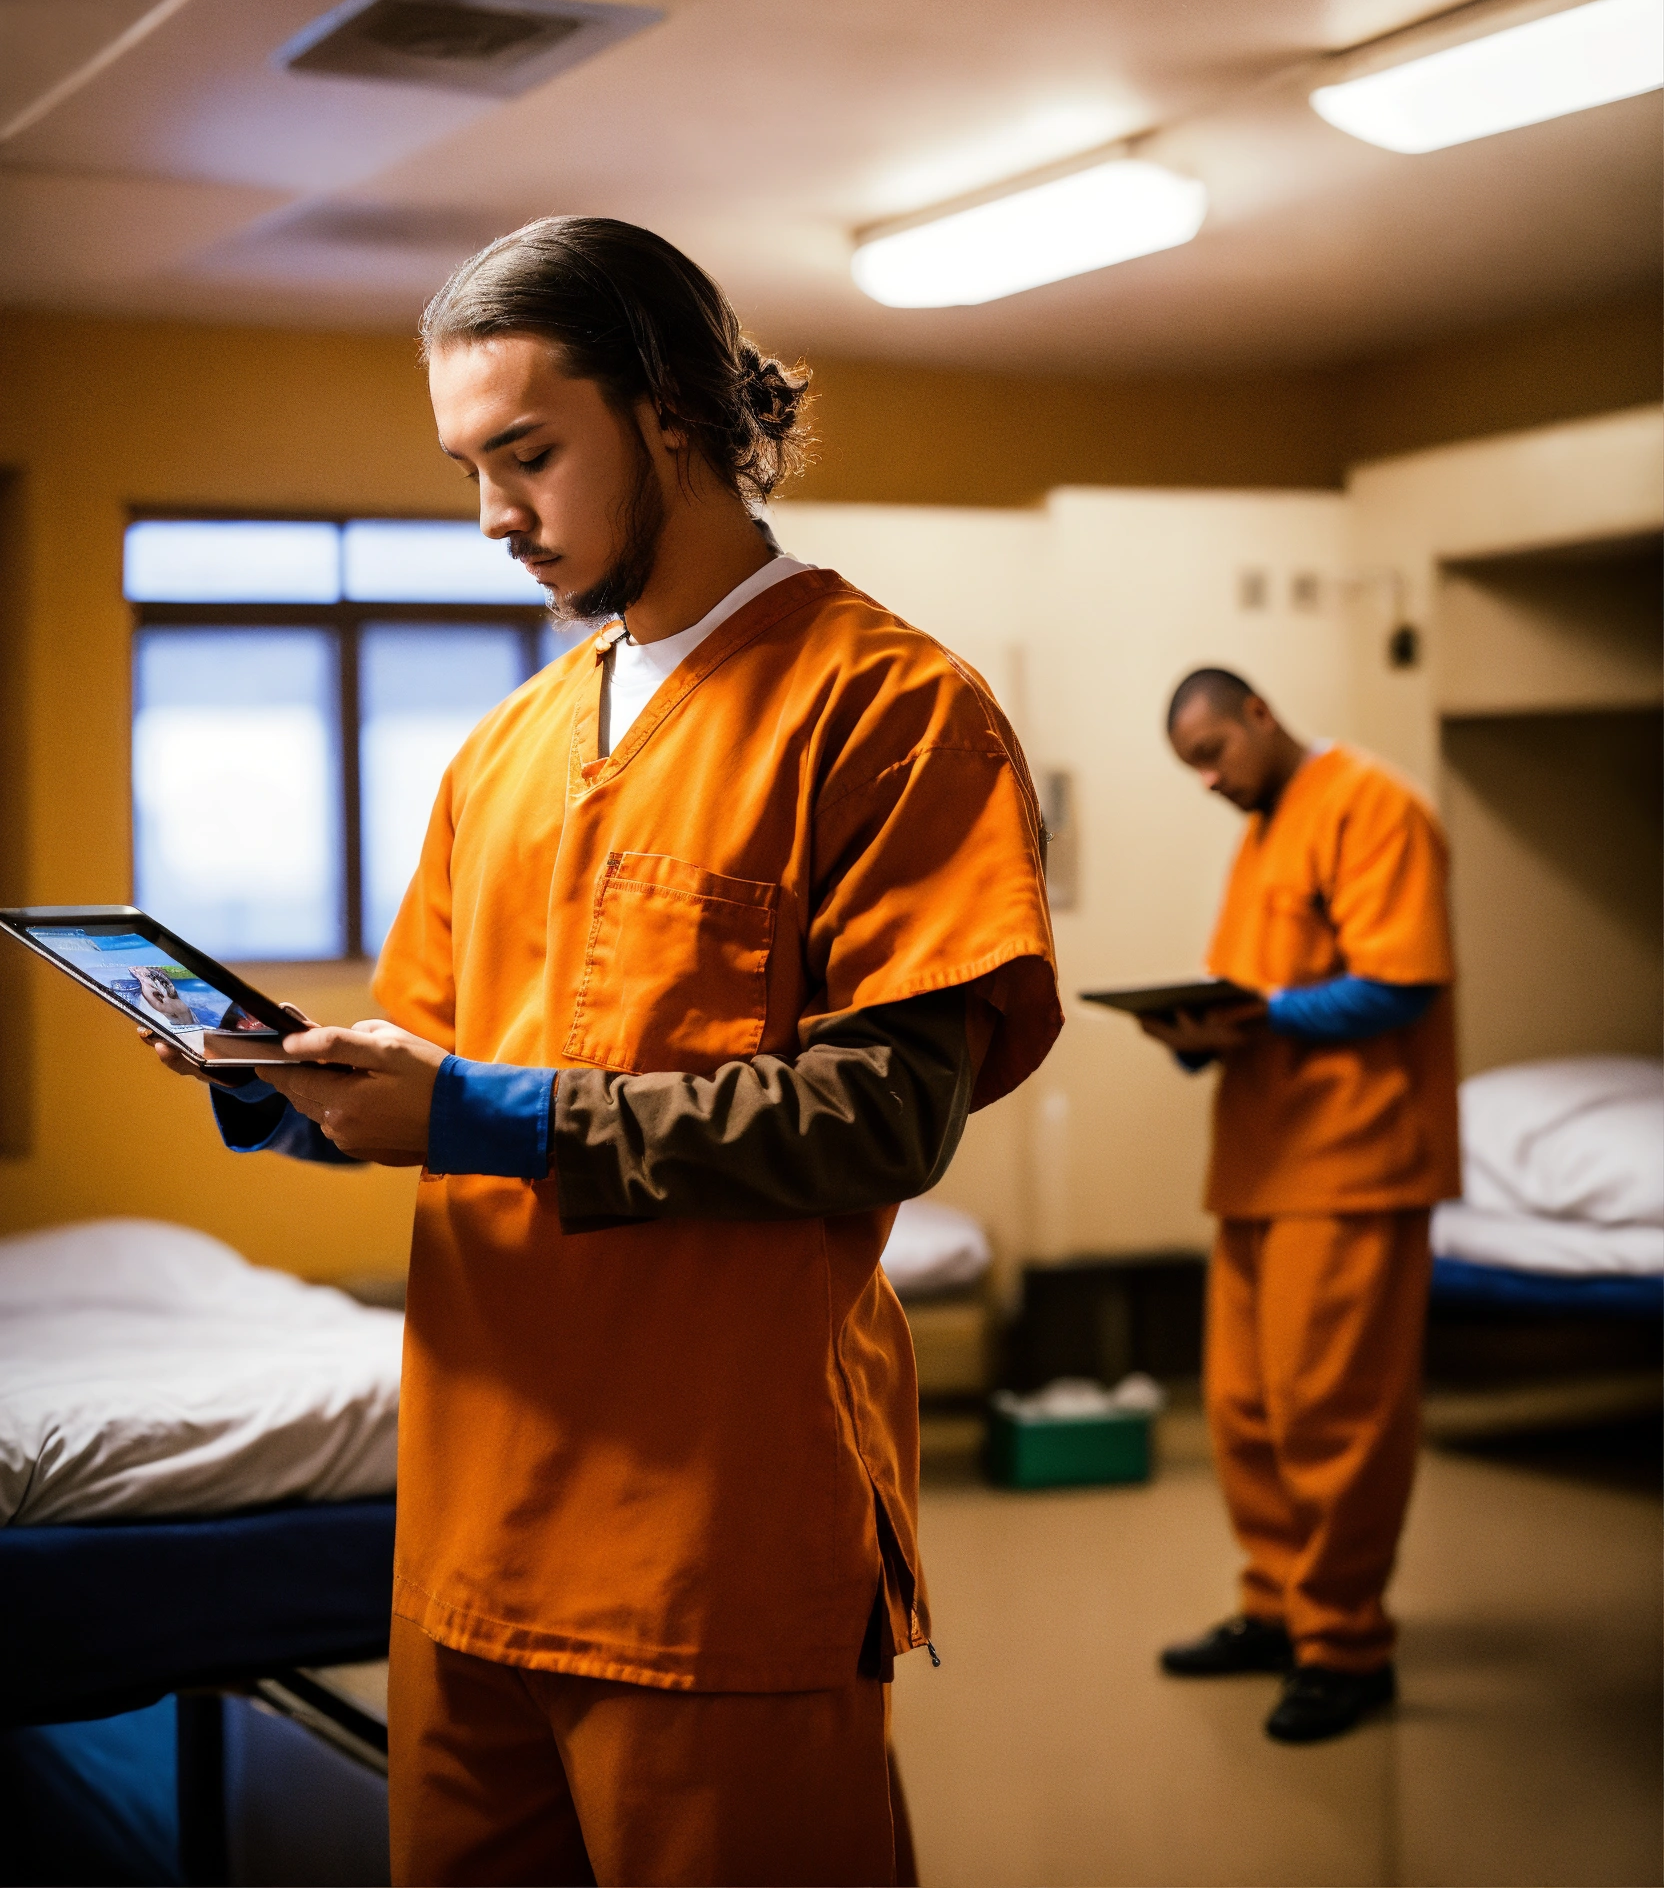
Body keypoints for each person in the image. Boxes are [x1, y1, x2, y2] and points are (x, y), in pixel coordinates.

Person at [145, 215, 1061, 1886]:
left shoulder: (888, 710)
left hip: (708, 1548)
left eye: (528, 453)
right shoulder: (503, 750)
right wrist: (293, 1090)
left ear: (667, 409)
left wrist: (483, 1114)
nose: (494, 513)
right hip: (470, 1538)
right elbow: (433, 1068)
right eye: (469, 469)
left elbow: (886, 1113)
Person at [1142, 668, 1457, 1746]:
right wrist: (1197, 1034)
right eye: (1191, 768)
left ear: (1258, 715)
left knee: (1333, 1414)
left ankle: (1344, 1647)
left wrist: (1257, 1017)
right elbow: (1251, 994)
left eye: (1212, 754)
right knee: (1244, 1410)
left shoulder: (1374, 806)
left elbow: (1400, 982)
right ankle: (1277, 1610)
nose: (1209, 779)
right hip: (1260, 1166)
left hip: (1355, 1161)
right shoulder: (1264, 835)